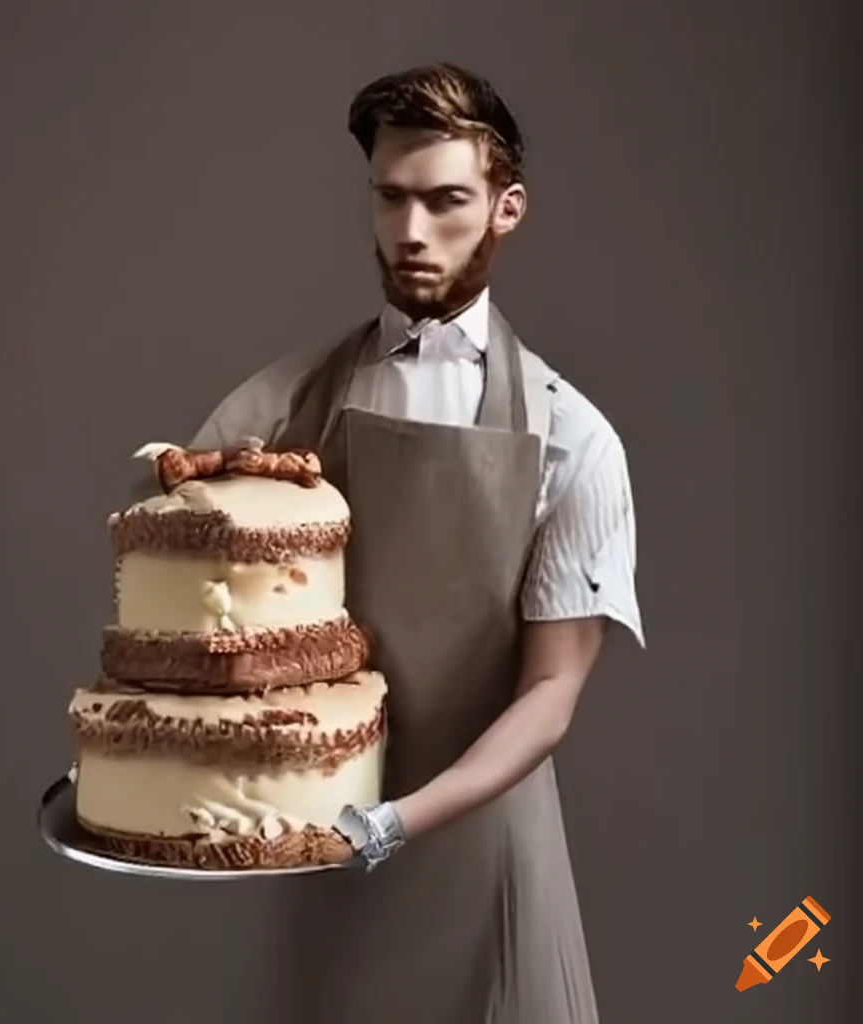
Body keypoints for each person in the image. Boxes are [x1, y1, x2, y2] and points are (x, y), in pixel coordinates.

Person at [189, 62, 644, 1024]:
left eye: (445, 201)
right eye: (391, 198)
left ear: (505, 207)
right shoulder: (274, 409)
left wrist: (391, 823)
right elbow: (188, 593)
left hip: (488, 855)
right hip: (327, 855)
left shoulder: (574, 438)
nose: (410, 231)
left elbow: (552, 692)